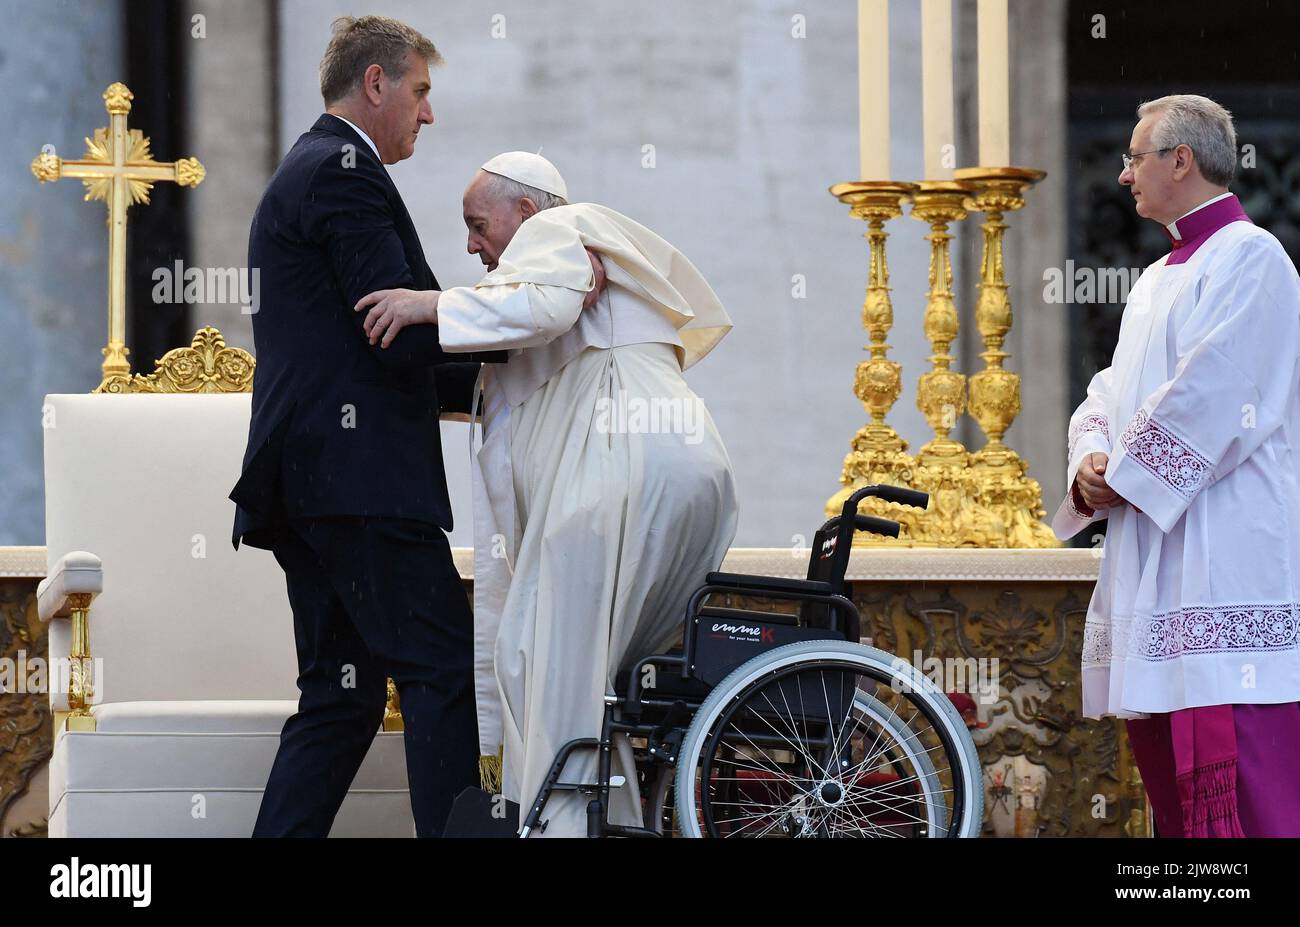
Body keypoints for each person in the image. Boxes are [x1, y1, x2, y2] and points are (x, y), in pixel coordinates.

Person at [357, 152, 739, 836]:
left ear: (526, 212)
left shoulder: (563, 232)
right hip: (682, 472)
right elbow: (506, 377)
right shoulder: (549, 277)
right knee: (594, 676)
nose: (471, 245)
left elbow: (545, 303)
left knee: (538, 654)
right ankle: (605, 819)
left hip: (626, 473)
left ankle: (556, 826)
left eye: (478, 225)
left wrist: (425, 304)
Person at [230, 15, 505, 837]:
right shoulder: (344, 169)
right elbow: (398, 332)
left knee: (342, 699)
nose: (428, 114)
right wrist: (525, 347)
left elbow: (385, 337)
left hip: (310, 487)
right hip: (358, 485)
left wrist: (491, 376)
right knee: (441, 668)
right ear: (377, 84)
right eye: (420, 92)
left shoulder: (316, 166)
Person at [1052, 94, 1300, 837]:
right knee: (1174, 801)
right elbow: (1109, 389)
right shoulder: (1158, 276)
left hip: (1225, 565)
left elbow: (1213, 393)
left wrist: (1121, 472)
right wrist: (1090, 455)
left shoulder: (1254, 259)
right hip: (1160, 558)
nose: (1125, 175)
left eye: (1135, 157)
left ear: (1181, 160)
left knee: (1245, 797)